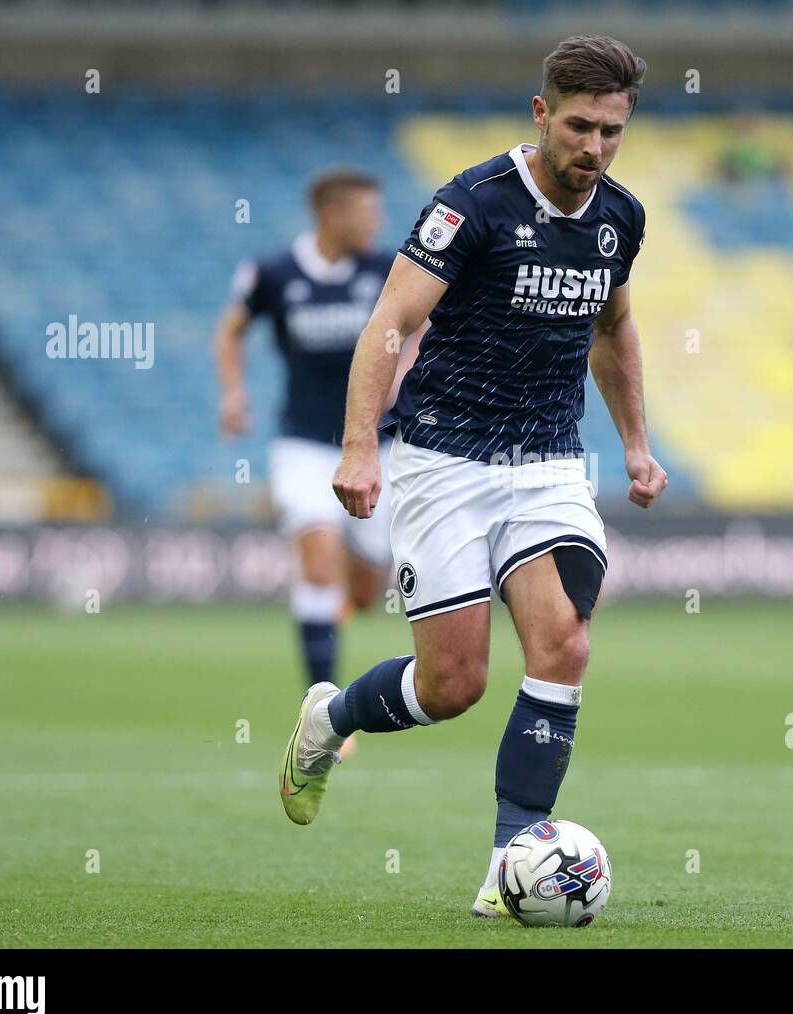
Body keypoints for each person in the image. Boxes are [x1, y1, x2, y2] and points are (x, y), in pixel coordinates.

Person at [278, 35, 667, 918]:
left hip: (549, 465)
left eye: (612, 131)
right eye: (579, 126)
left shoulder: (622, 218)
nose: (595, 148)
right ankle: (331, 719)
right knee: (453, 684)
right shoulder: (473, 204)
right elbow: (390, 319)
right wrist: (358, 445)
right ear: (541, 114)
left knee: (563, 642)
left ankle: (511, 861)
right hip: (445, 461)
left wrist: (635, 442)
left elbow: (613, 328)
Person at [215, 171, 418, 747]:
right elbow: (230, 331)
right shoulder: (273, 273)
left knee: (368, 585)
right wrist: (234, 394)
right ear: (332, 215)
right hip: (304, 445)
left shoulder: (385, 272)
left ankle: (333, 614)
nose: (377, 223)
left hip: (378, 447)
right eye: (367, 213)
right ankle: (324, 708)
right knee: (320, 560)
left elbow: (423, 323)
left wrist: (404, 371)